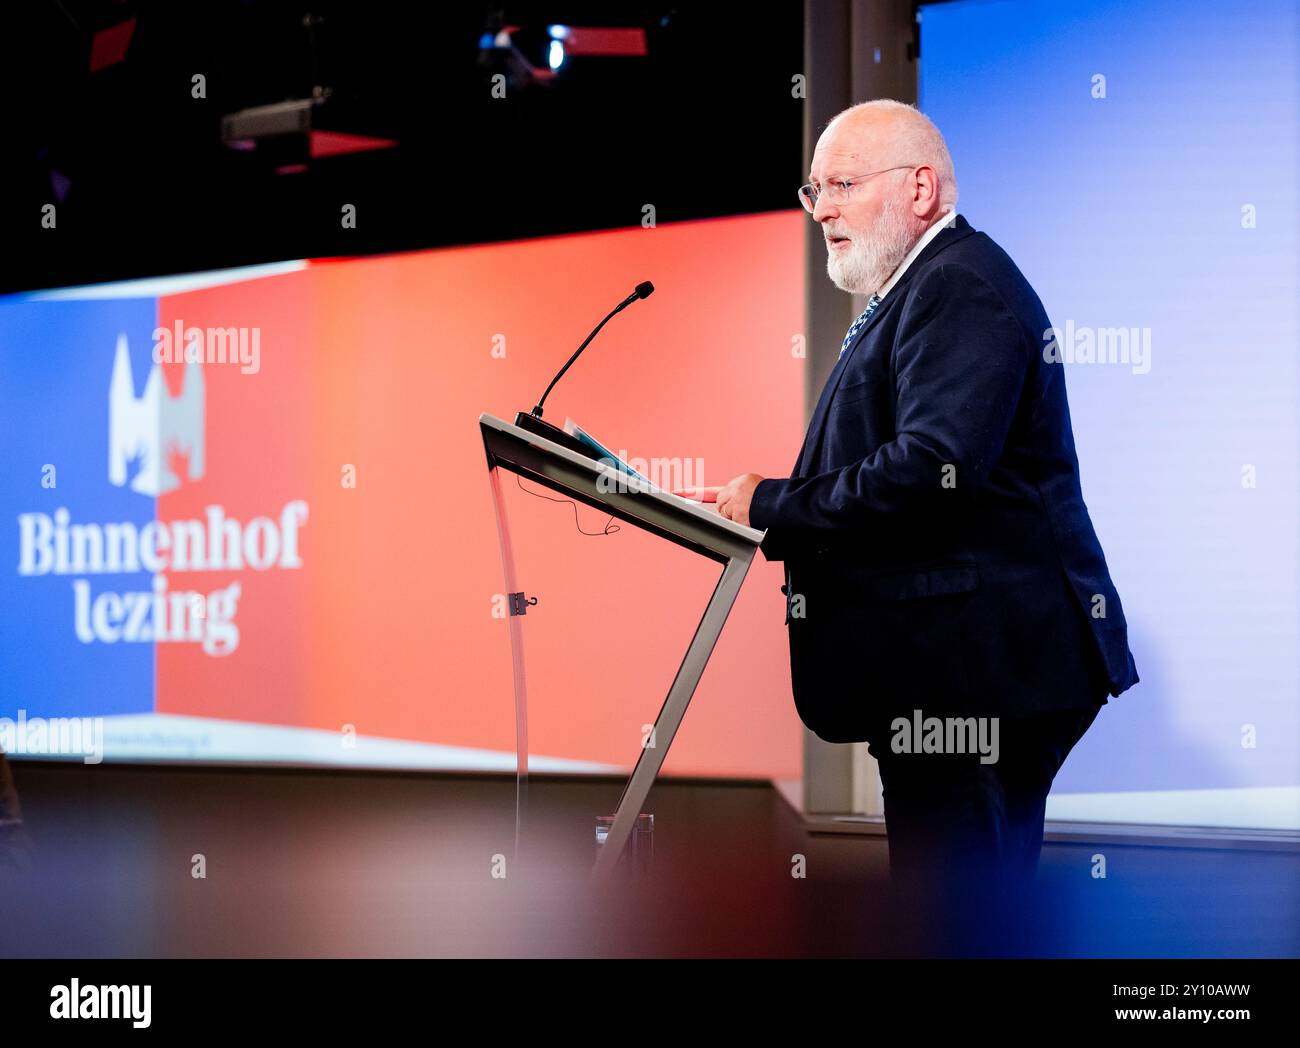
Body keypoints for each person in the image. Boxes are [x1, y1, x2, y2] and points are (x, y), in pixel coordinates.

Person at [714, 100, 1138, 912]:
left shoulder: (958, 285)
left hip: (976, 674)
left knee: (955, 919)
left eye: (841, 183)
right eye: (813, 191)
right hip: (957, 670)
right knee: (962, 916)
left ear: (919, 188)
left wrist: (774, 505)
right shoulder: (926, 286)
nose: (823, 208)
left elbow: (932, 468)